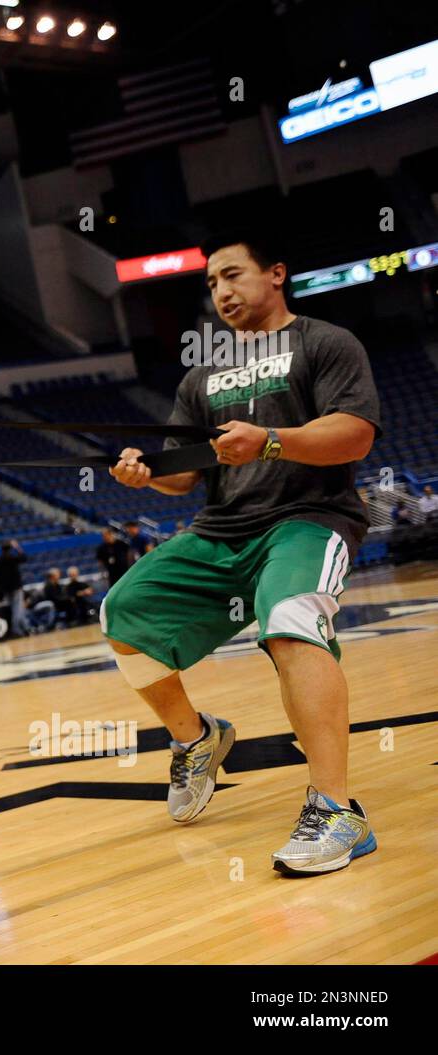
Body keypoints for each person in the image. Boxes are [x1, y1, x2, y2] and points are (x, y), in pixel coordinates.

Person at [102, 229, 381, 876]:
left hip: (307, 519)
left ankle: (337, 809)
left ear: (276, 273)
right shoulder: (202, 376)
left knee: (289, 619)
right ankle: (196, 738)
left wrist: (271, 441)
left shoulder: (325, 342)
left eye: (232, 274)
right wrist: (145, 472)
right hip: (222, 528)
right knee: (124, 611)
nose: (221, 291)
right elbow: (182, 474)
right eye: (211, 283)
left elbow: (355, 435)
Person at [0, 540, 27, 637]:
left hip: (6, 589)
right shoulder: (11, 558)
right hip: (16, 588)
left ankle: (25, 628)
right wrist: (17, 547)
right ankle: (17, 629)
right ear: (10, 549)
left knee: (14, 609)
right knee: (17, 610)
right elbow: (24, 558)